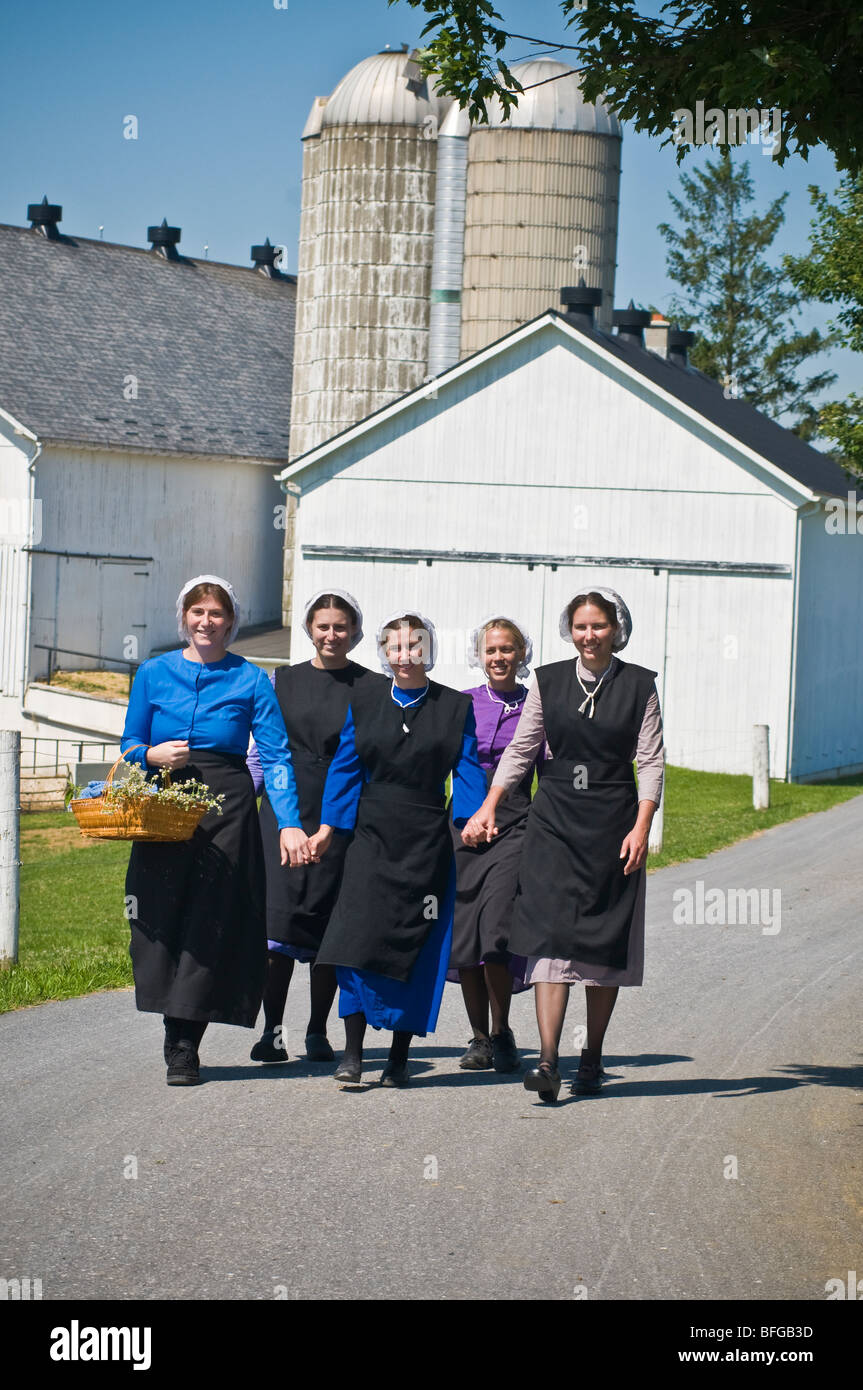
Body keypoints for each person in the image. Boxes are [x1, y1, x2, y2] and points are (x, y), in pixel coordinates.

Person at [462, 587, 664, 1103]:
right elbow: (522, 748)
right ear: (568, 631)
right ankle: (549, 1061)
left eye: (599, 626)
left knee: (601, 942)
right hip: (553, 821)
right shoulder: (548, 682)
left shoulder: (640, 686)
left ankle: (591, 1057)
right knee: (549, 937)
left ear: (617, 629)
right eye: (581, 627)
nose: (590, 635)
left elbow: (651, 761)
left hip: (613, 824)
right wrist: (490, 805)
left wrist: (642, 826)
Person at [121, 575, 309, 1086]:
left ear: (232, 622)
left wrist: (289, 823)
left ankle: (185, 1044)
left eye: (217, 614)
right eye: (198, 612)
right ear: (184, 617)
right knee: (156, 913)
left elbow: (275, 756)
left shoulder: (251, 678)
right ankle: (170, 1017)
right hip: (163, 802)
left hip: (227, 807)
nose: (207, 622)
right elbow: (129, 743)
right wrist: (151, 754)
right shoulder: (153, 672)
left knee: (210, 920)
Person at [307, 612, 486, 1088]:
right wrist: (328, 829)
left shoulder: (454, 706)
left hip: (425, 841)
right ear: (384, 653)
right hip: (370, 838)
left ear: (429, 650)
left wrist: (470, 821)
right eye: (396, 647)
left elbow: (467, 768)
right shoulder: (363, 698)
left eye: (415, 646)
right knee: (354, 938)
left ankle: (399, 1059)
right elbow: (345, 768)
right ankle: (352, 1052)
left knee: (413, 945)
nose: (406, 656)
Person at [246, 589, 369, 1064]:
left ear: (355, 633)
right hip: (283, 812)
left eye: (341, 627)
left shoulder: (371, 686)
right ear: (309, 630)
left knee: (329, 925)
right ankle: (271, 1031)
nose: (332, 635)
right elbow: (265, 753)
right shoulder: (280, 681)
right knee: (278, 925)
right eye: (323, 626)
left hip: (343, 815)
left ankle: (318, 1030)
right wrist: (243, 805)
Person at [449, 616, 542, 1074]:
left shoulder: (536, 706)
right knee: (465, 935)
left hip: (514, 825)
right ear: (479, 655)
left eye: (508, 649)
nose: (499, 657)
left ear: (522, 653)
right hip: (463, 825)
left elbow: (551, 771)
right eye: (491, 650)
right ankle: (479, 1037)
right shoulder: (461, 703)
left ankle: (502, 1029)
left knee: (495, 933)